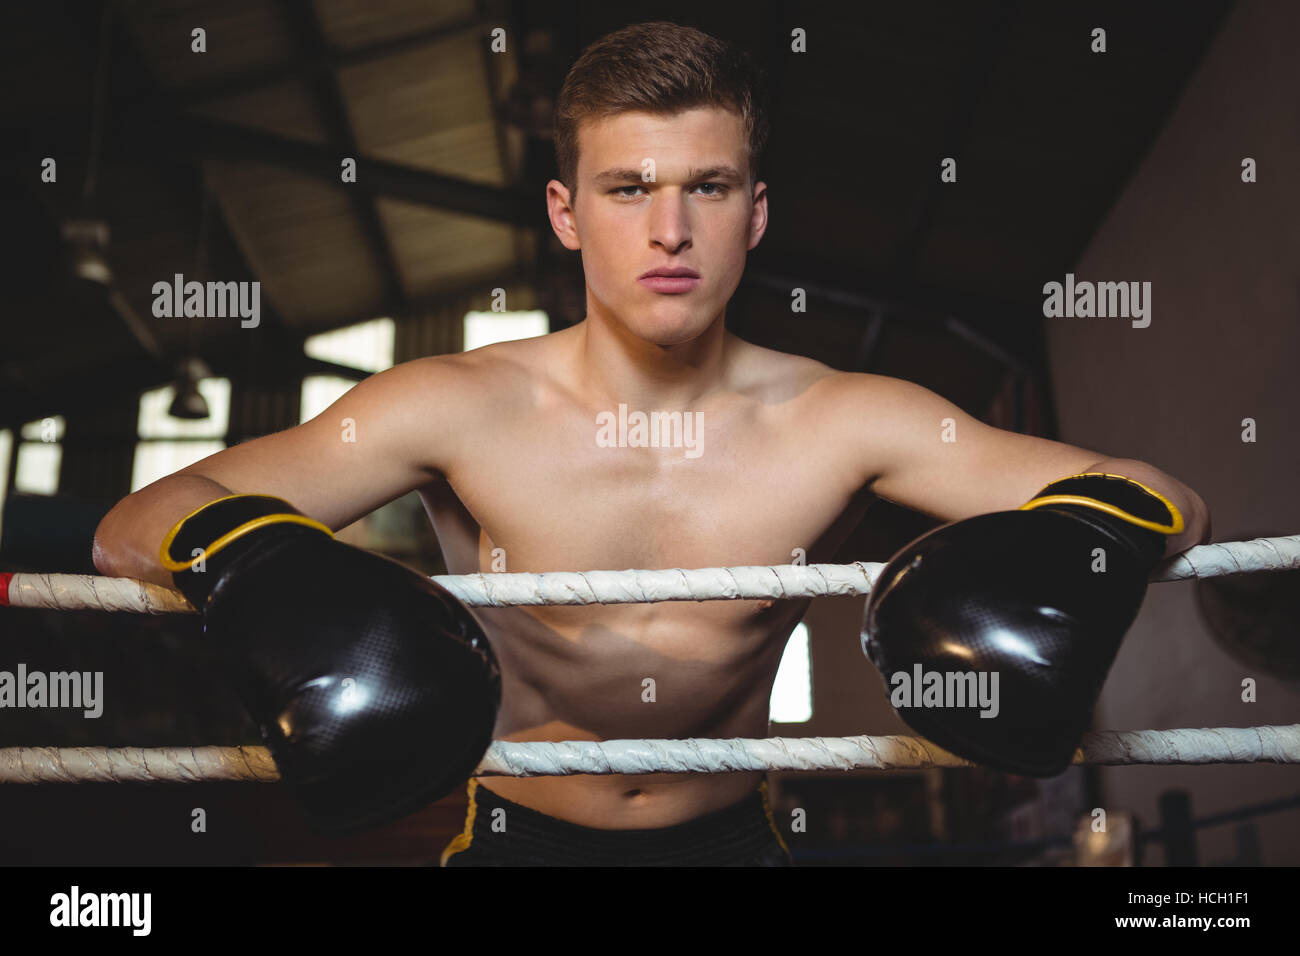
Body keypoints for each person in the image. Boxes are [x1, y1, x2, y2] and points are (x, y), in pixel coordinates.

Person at [93, 21, 1210, 866]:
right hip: (518, 839)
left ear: (754, 212)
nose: (669, 231)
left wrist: (1091, 543)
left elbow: (1150, 497)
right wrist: (269, 572)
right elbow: (137, 523)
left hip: (733, 836)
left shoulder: (847, 419)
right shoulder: (452, 404)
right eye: (627, 189)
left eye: (705, 188)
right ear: (565, 212)